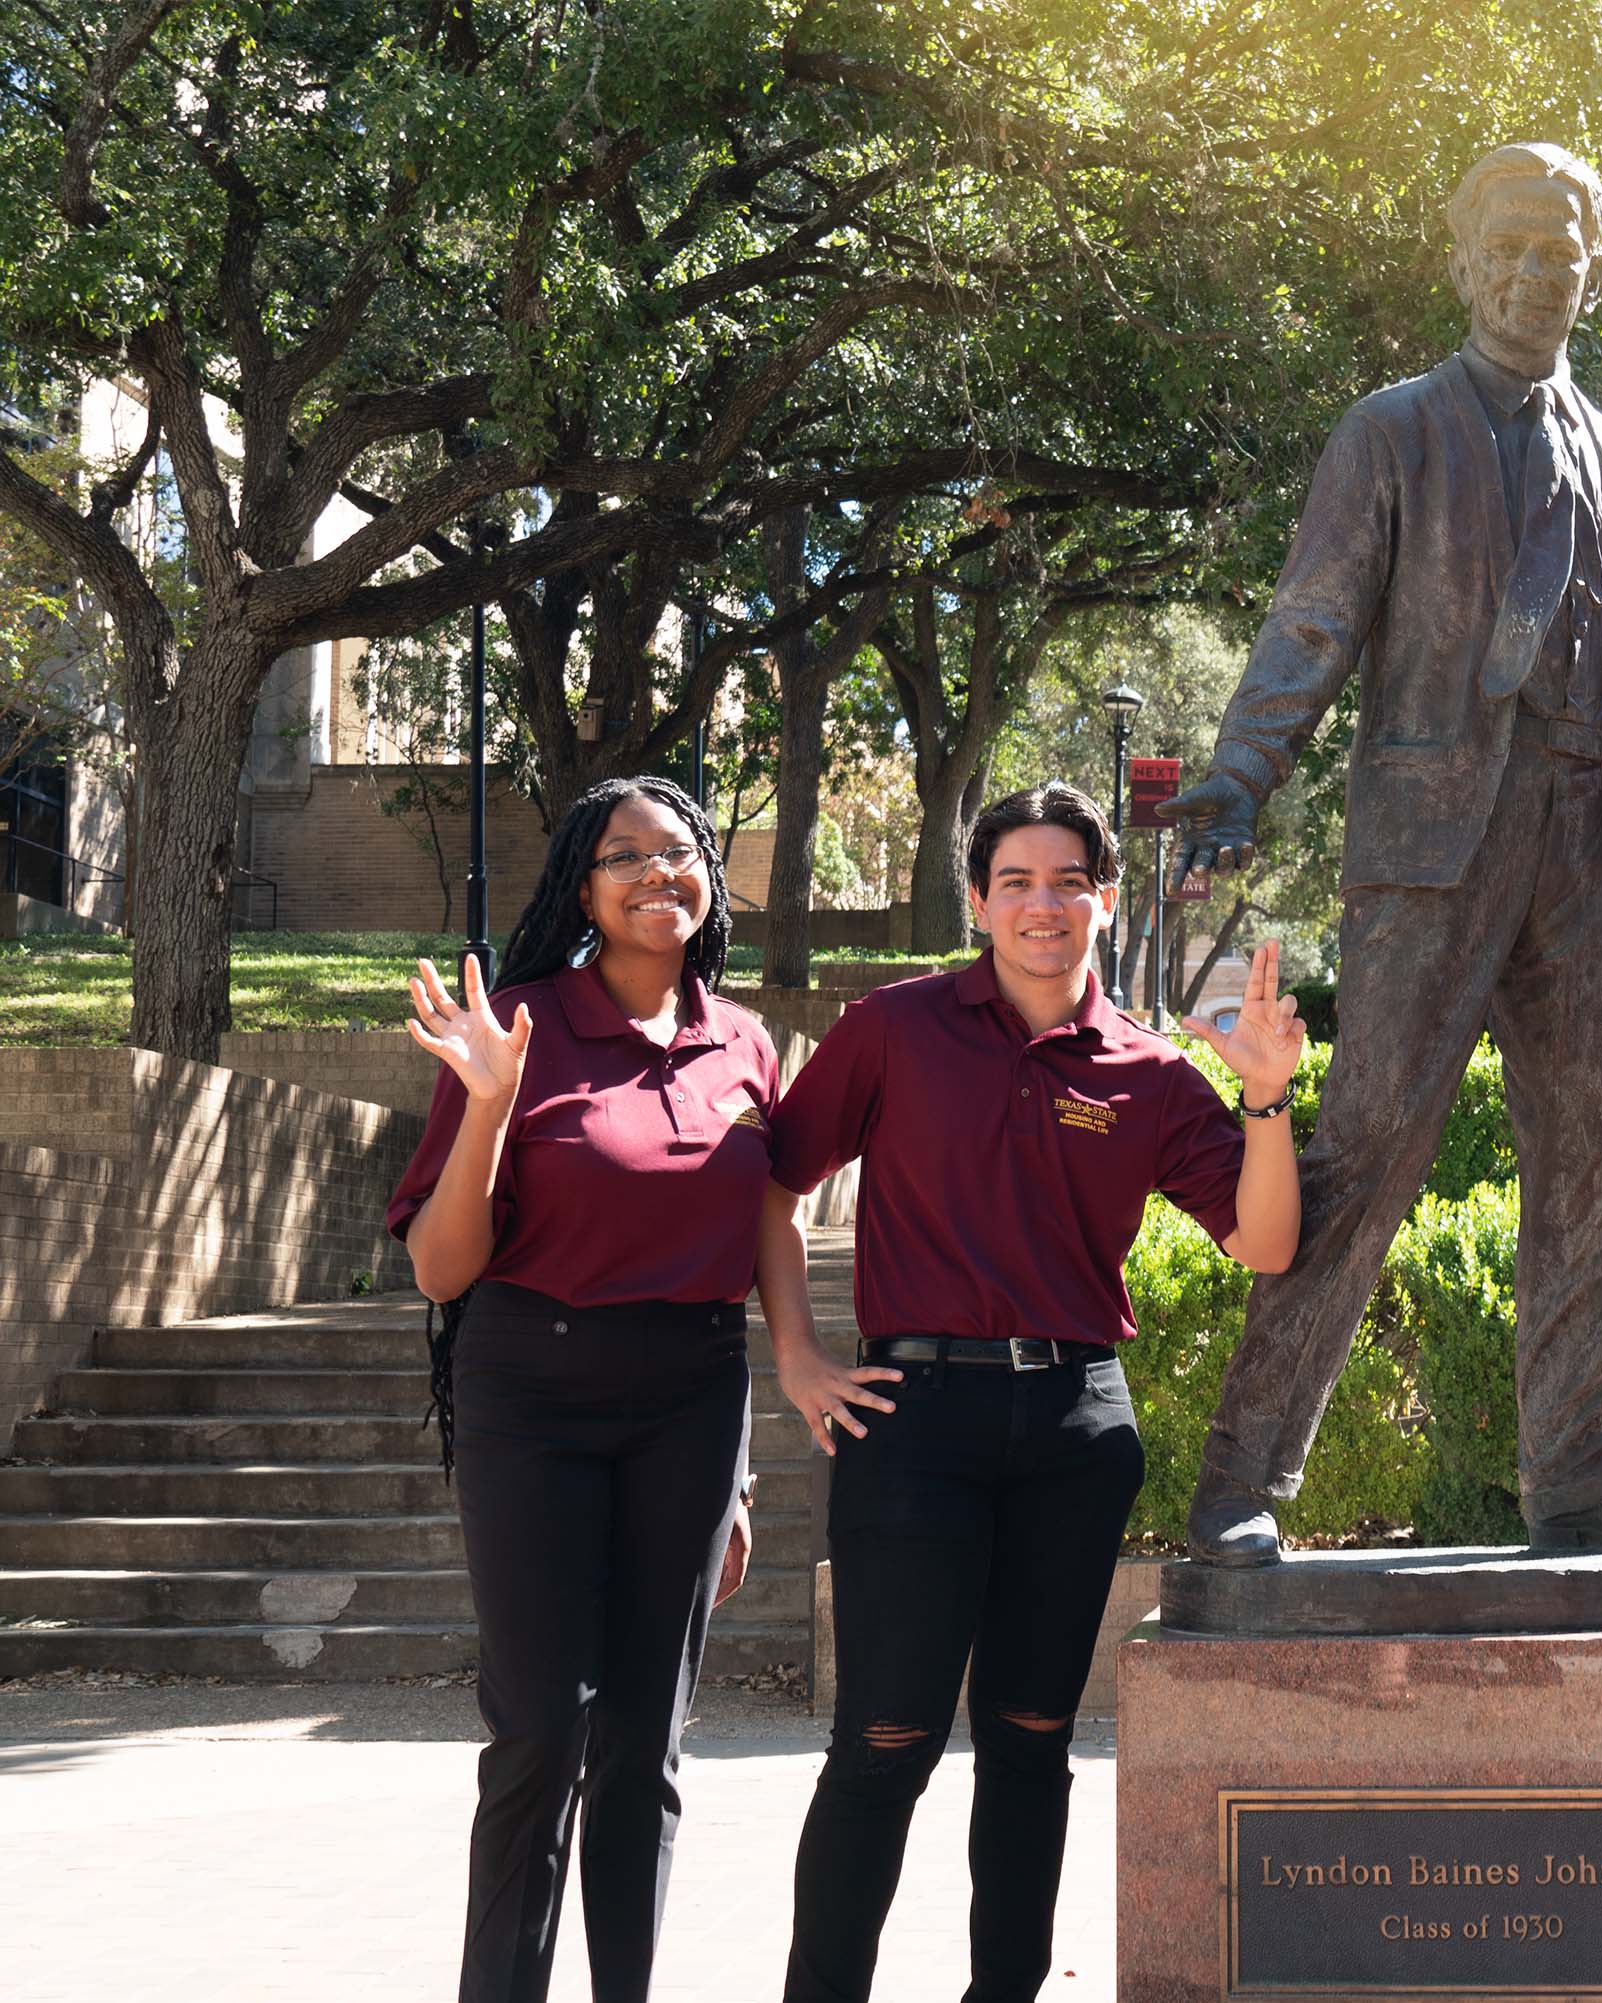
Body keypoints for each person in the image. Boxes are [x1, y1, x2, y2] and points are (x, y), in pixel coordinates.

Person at [1159, 140, 1602, 1567]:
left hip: (1593, 851)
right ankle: (1242, 1479)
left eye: (1564, 253)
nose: (1538, 276)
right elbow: (1315, 617)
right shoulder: (1393, 431)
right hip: (1430, 848)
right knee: (1368, 1150)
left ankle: (1588, 1476)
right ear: (1467, 261)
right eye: (1514, 248)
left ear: (1596, 275)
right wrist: (1244, 771)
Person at [761, 780, 1303, 2003]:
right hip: (912, 1424)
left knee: (1029, 1743)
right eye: (1016, 881)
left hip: (1074, 1429)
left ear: (1104, 901)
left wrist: (1264, 1094)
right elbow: (774, 1181)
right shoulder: (892, 1028)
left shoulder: (1151, 1072)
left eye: (1069, 881)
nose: (1042, 904)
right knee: (883, 1743)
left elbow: (1264, 1241)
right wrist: (795, 1354)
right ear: (978, 899)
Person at [389, 776, 794, 2003]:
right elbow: (439, 1267)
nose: (655, 873)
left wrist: (740, 1475)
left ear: (712, 875)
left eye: (678, 851)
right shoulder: (515, 1023)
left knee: (645, 1742)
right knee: (540, 1733)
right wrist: (493, 1106)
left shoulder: (746, 1042)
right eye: (624, 856)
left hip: (691, 1394)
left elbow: (751, 1243)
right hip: (532, 1386)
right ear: (582, 886)